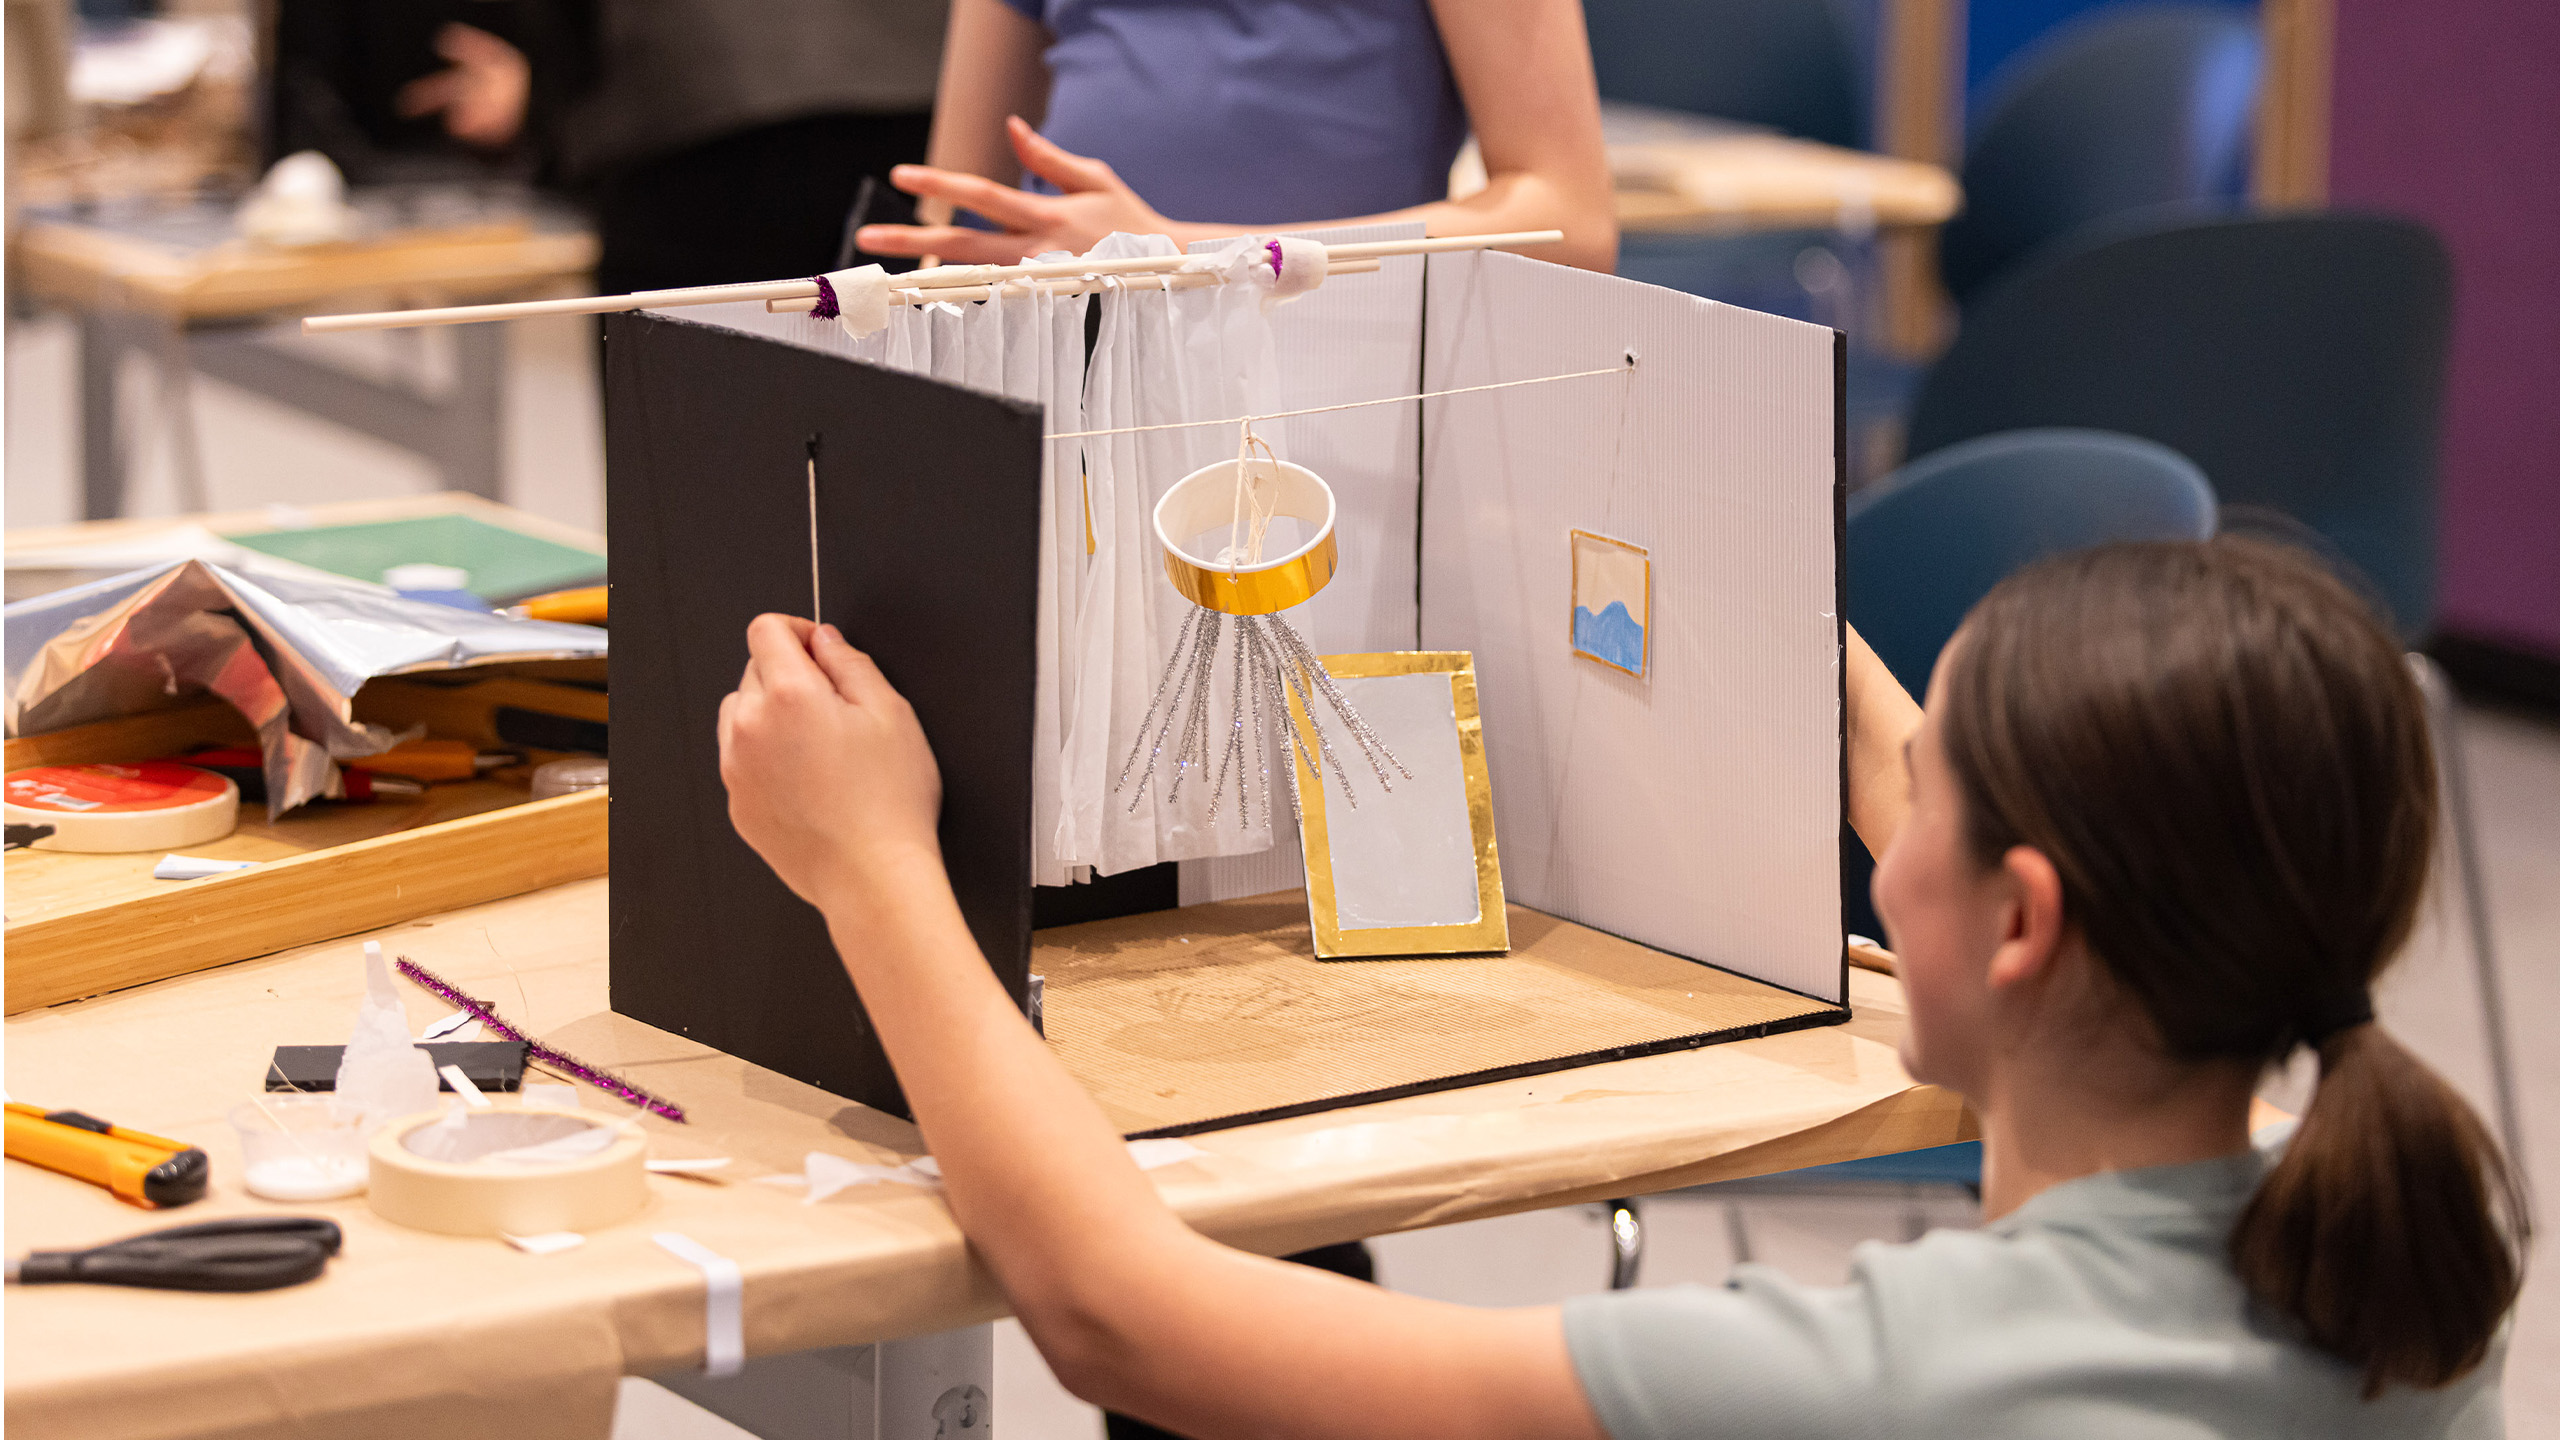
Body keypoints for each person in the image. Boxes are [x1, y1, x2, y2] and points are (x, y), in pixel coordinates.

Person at [715, 536, 2524, 1438]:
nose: (1884, 834)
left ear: (2025, 928)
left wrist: (870, 865)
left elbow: (1123, 1321)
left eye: (1928, 802)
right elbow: (1930, 793)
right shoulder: (2387, 1256)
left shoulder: (1899, 1380)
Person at [851, 0, 1618, 273]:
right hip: (1064, 375)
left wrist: (1183, 255)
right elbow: (952, 216)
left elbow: (1571, 220)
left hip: (1320, 395)